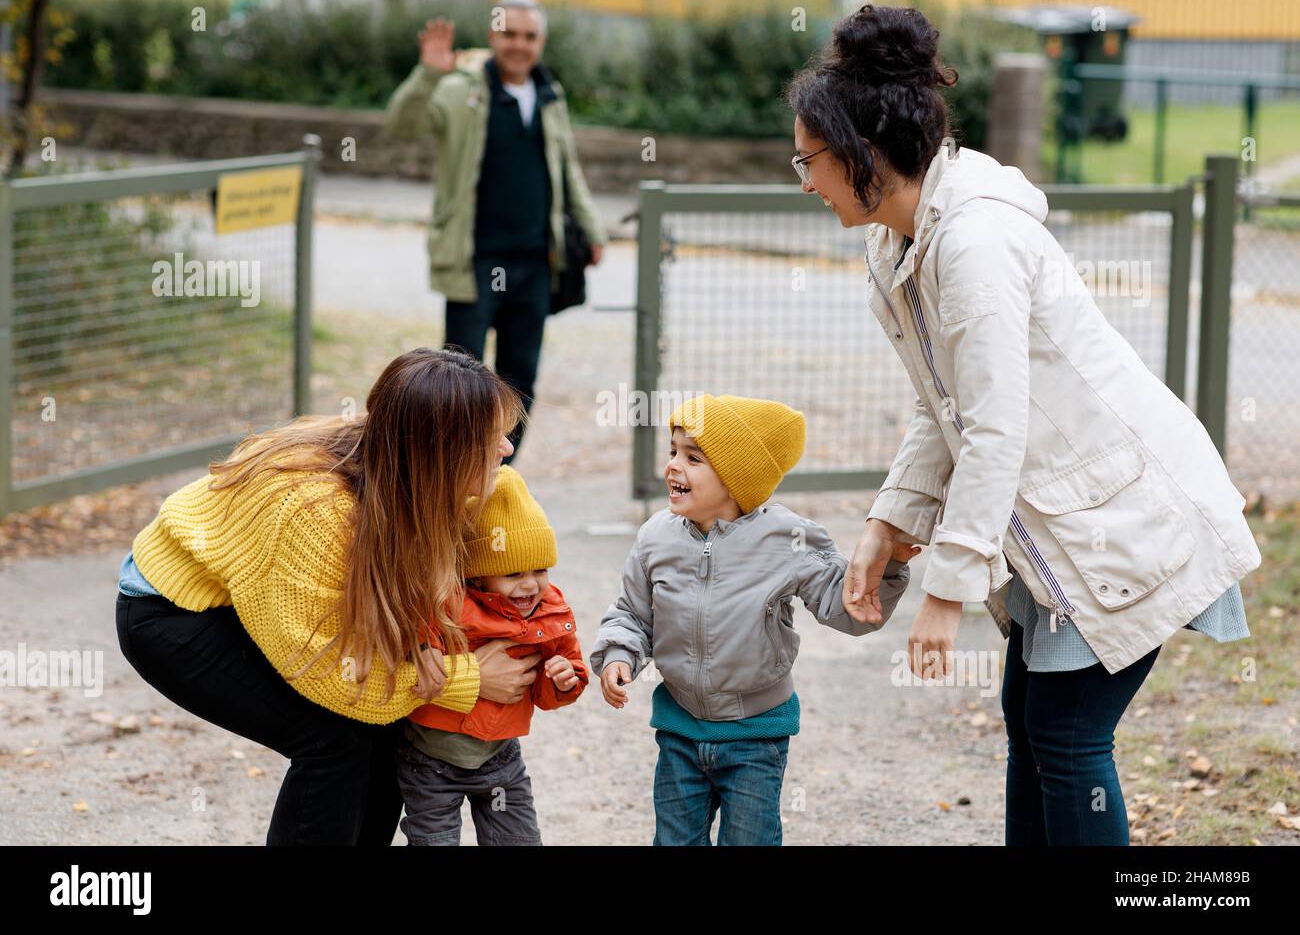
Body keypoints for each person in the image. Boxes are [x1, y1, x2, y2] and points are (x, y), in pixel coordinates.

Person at [785, 4, 1262, 844]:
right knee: (1034, 727)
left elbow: (995, 427)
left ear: (863, 157)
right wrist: (890, 519)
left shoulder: (974, 242)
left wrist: (946, 590)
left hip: (1117, 519)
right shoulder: (901, 243)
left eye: (810, 160)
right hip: (1057, 529)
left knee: (1069, 739)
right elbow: (950, 408)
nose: (806, 181)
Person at [115, 348, 547, 845]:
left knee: (389, 730)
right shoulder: (317, 514)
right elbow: (332, 678)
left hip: (256, 593)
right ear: (442, 449)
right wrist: (467, 678)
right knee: (334, 738)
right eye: (492, 438)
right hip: (172, 610)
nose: (507, 449)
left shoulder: (411, 475)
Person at [589, 394, 917, 845]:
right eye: (672, 452)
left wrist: (889, 567)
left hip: (755, 735)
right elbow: (631, 612)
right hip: (680, 727)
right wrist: (619, 655)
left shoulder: (787, 538)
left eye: (693, 458)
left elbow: (846, 607)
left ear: (736, 477)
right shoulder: (655, 537)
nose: (672, 467)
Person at [384, 0, 608, 463]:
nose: (519, 45)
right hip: (475, 261)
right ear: (492, 36)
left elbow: (567, 167)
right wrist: (428, 72)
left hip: (534, 263)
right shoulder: (458, 89)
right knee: (456, 381)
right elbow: (400, 125)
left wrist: (591, 227)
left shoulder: (550, 95)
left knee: (519, 380)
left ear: (540, 42)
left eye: (529, 36)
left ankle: (499, 474)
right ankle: (448, 474)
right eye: (509, 34)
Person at [397, 465, 588, 845]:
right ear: (479, 575)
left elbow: (552, 689)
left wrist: (563, 680)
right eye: (513, 573)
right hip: (432, 759)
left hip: (501, 758)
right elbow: (413, 656)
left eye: (540, 569)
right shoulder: (445, 607)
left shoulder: (549, 612)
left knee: (517, 839)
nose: (530, 584)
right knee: (434, 840)